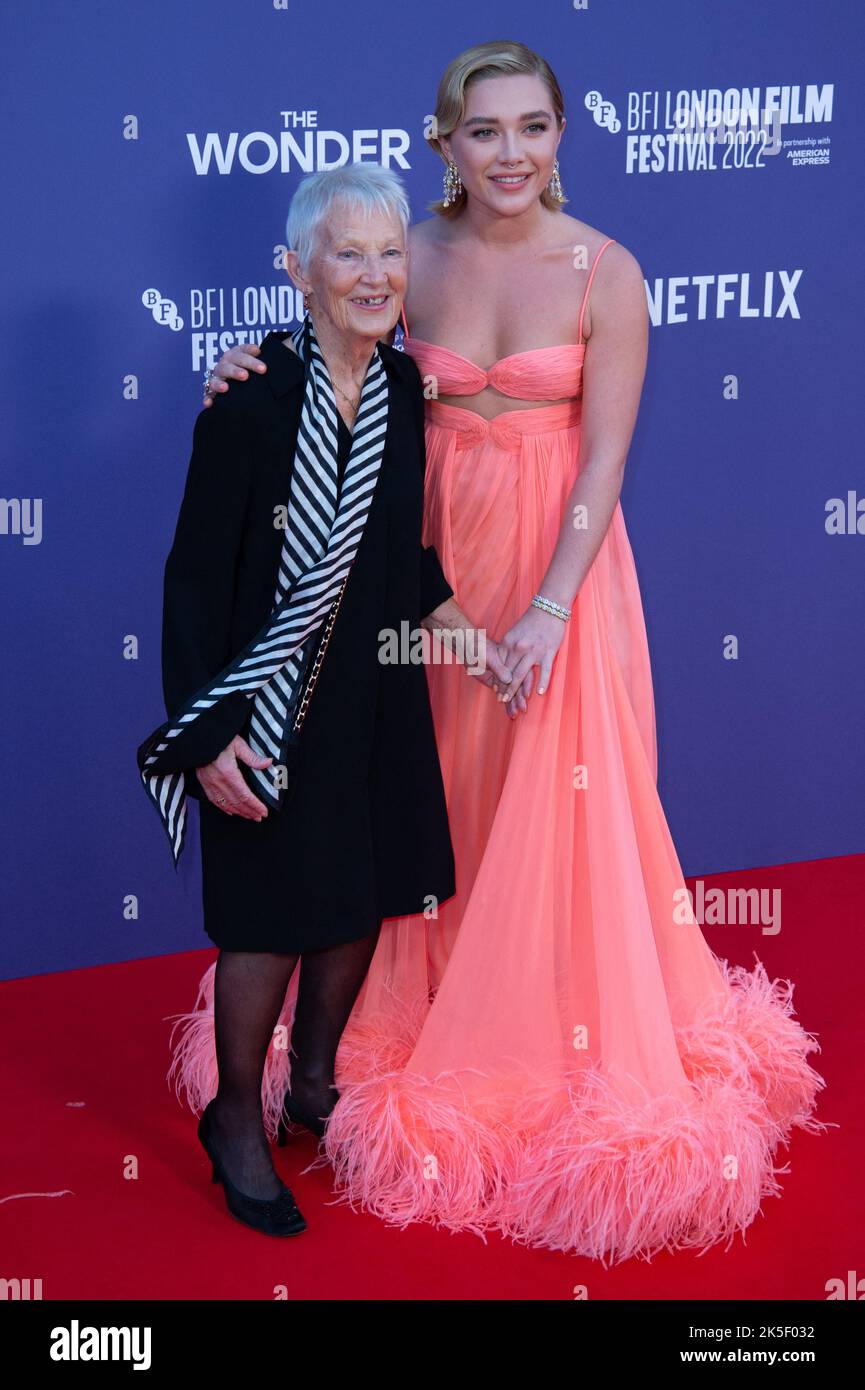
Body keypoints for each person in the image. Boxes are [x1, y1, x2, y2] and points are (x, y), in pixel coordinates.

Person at [188, 42, 826, 1262]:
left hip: (556, 571)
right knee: (415, 797)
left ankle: (538, 1026)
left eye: (533, 127)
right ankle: (359, 1034)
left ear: (563, 134)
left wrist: (547, 607)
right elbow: (334, 336)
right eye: (484, 131)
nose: (512, 153)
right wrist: (247, 361)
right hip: (417, 570)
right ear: (444, 144)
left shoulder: (608, 270)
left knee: (554, 802)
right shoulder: (409, 253)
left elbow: (603, 462)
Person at [137, 161, 512, 1238]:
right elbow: (194, 579)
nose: (375, 272)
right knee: (265, 917)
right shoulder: (250, 398)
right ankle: (235, 1119)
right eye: (347, 251)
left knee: (358, 899)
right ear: (296, 269)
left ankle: (311, 1081)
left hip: (372, 692)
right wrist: (205, 735)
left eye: (391, 251)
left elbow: (405, 559)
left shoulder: (404, 391)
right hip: (258, 702)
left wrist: (480, 648)